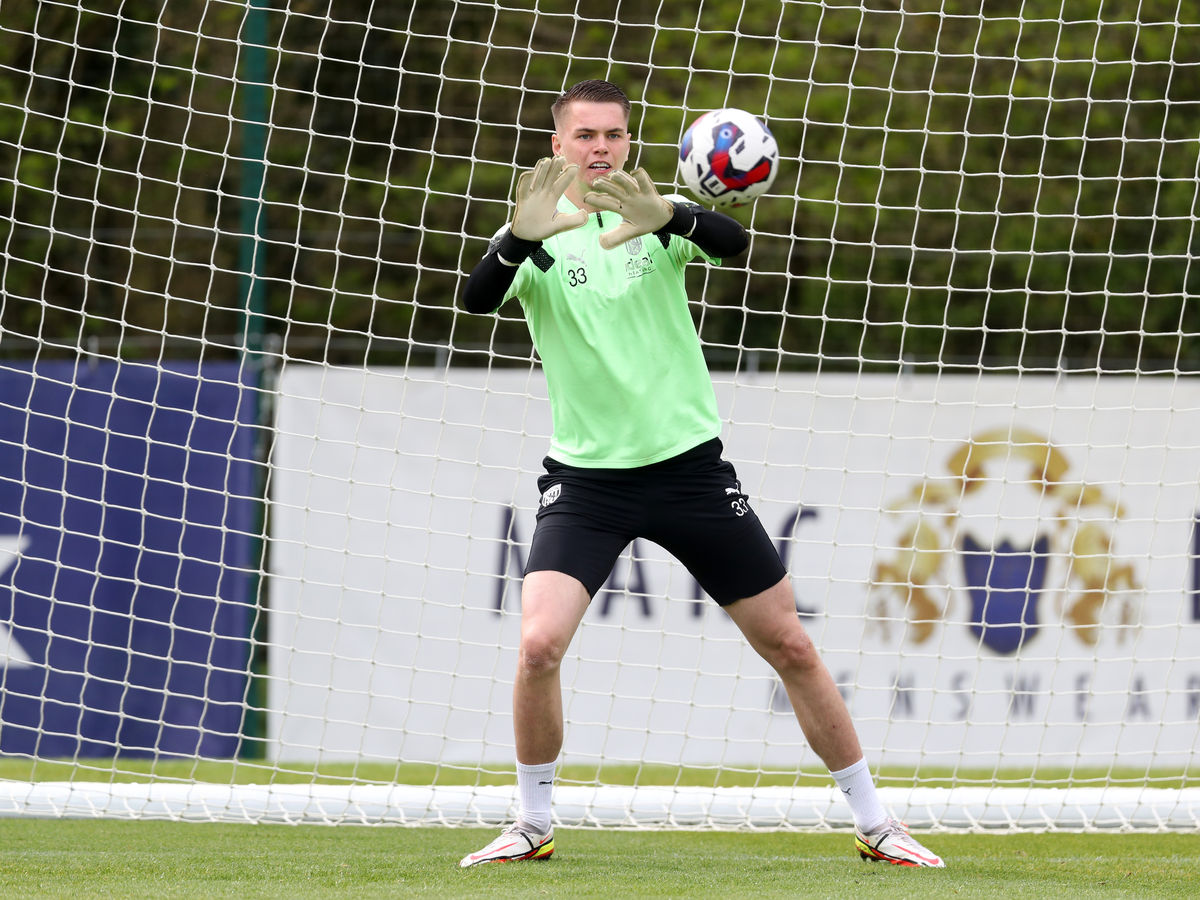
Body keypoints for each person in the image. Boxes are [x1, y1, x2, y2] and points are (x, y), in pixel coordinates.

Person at [457, 79, 943, 869]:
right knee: (539, 644)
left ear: (629, 143)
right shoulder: (537, 231)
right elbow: (477, 298)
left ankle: (876, 821)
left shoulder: (653, 217)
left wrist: (674, 215)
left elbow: (730, 241)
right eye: (585, 136)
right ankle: (533, 821)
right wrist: (517, 240)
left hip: (690, 474)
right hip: (587, 485)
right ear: (558, 146)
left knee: (790, 645)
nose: (601, 149)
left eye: (613, 134)